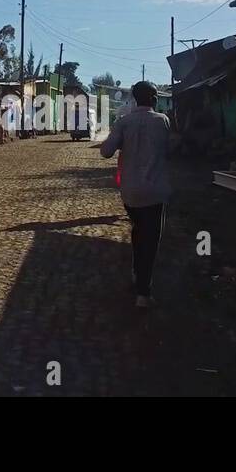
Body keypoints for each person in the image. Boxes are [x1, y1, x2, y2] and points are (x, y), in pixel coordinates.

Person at [100, 81, 171, 307]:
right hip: (155, 192)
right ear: (152, 98)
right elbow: (170, 148)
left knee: (138, 230)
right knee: (151, 239)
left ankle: (136, 271)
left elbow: (105, 152)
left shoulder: (124, 123)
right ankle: (144, 291)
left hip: (130, 193)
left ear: (134, 98)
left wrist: (121, 140)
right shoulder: (163, 121)